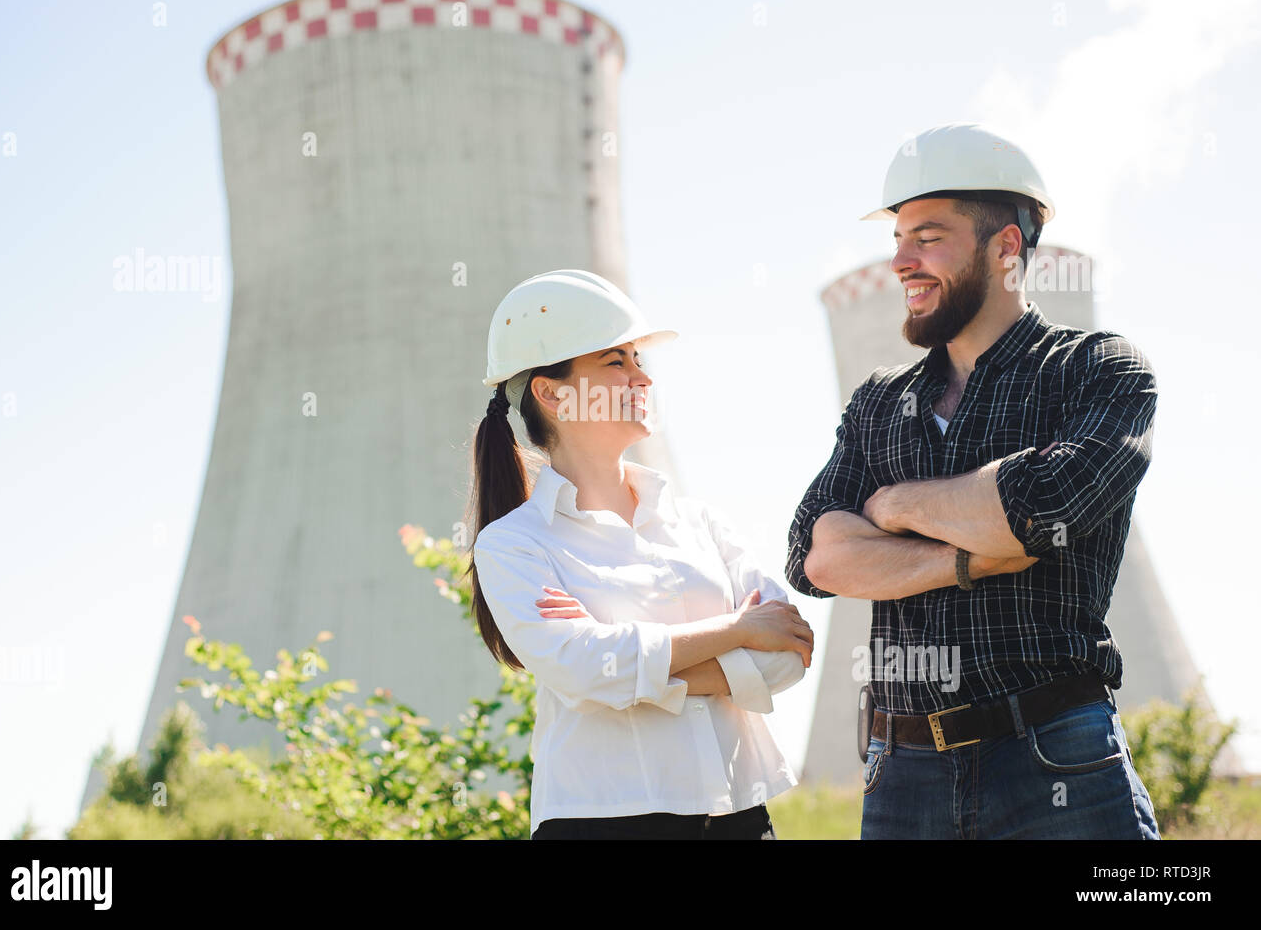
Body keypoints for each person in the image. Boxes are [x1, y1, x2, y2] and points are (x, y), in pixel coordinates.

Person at [786, 122, 1161, 839]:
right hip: (900, 774)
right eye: (897, 239)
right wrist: (961, 555)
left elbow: (1042, 505)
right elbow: (813, 554)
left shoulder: (1098, 369)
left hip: (1056, 760)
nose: (901, 261)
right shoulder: (877, 401)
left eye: (927, 236)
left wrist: (891, 504)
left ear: (1007, 248)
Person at [469, 268, 813, 840]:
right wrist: (739, 628)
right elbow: (581, 667)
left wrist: (635, 675)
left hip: (738, 815)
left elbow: (788, 651)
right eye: (616, 362)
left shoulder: (701, 523)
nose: (642, 378)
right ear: (552, 393)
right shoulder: (513, 544)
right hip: (603, 820)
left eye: (639, 361)